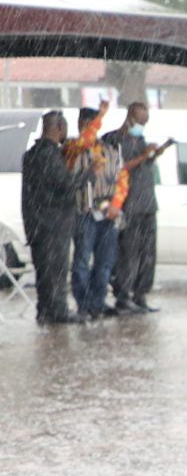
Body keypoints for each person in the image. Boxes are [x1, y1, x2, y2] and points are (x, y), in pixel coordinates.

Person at [106, 99, 171, 313]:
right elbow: (117, 167)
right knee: (128, 253)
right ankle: (123, 296)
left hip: (147, 205)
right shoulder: (113, 139)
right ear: (130, 117)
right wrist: (143, 155)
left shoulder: (140, 139)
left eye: (146, 121)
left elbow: (142, 164)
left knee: (147, 254)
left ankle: (140, 294)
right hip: (129, 205)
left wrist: (153, 154)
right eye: (141, 120)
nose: (142, 125)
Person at [19, 108, 77, 324]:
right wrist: (86, 174)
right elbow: (65, 185)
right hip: (53, 224)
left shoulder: (31, 154)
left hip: (36, 222)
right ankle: (57, 311)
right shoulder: (50, 155)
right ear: (59, 128)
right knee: (56, 270)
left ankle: (45, 311)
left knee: (44, 270)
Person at [66, 105, 121, 320]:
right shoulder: (72, 149)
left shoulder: (110, 151)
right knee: (81, 260)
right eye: (84, 124)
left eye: (92, 124)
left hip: (108, 212)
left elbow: (121, 180)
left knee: (105, 262)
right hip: (84, 212)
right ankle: (83, 303)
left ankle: (98, 302)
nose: (87, 128)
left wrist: (117, 204)